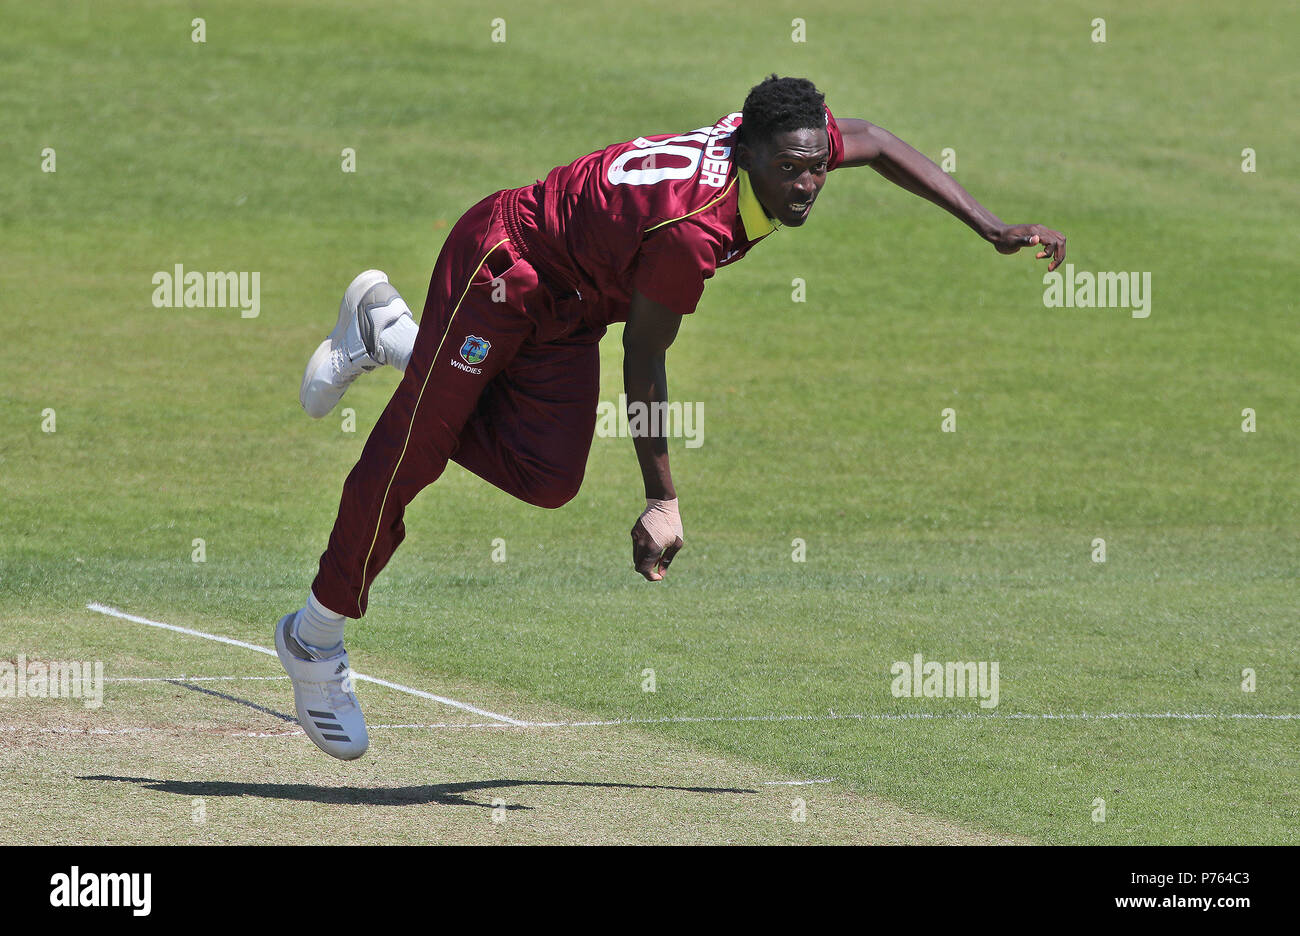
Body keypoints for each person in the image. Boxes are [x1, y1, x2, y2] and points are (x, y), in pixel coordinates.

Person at [275, 75, 1067, 760]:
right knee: (414, 449)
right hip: (505, 267)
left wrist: (990, 226)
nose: (808, 185)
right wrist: (663, 497)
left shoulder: (786, 142)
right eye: (791, 171)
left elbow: (877, 141)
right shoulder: (691, 231)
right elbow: (644, 360)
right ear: (748, 153)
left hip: (574, 305)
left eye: (817, 169)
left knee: (548, 478)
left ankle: (399, 338)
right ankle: (317, 633)